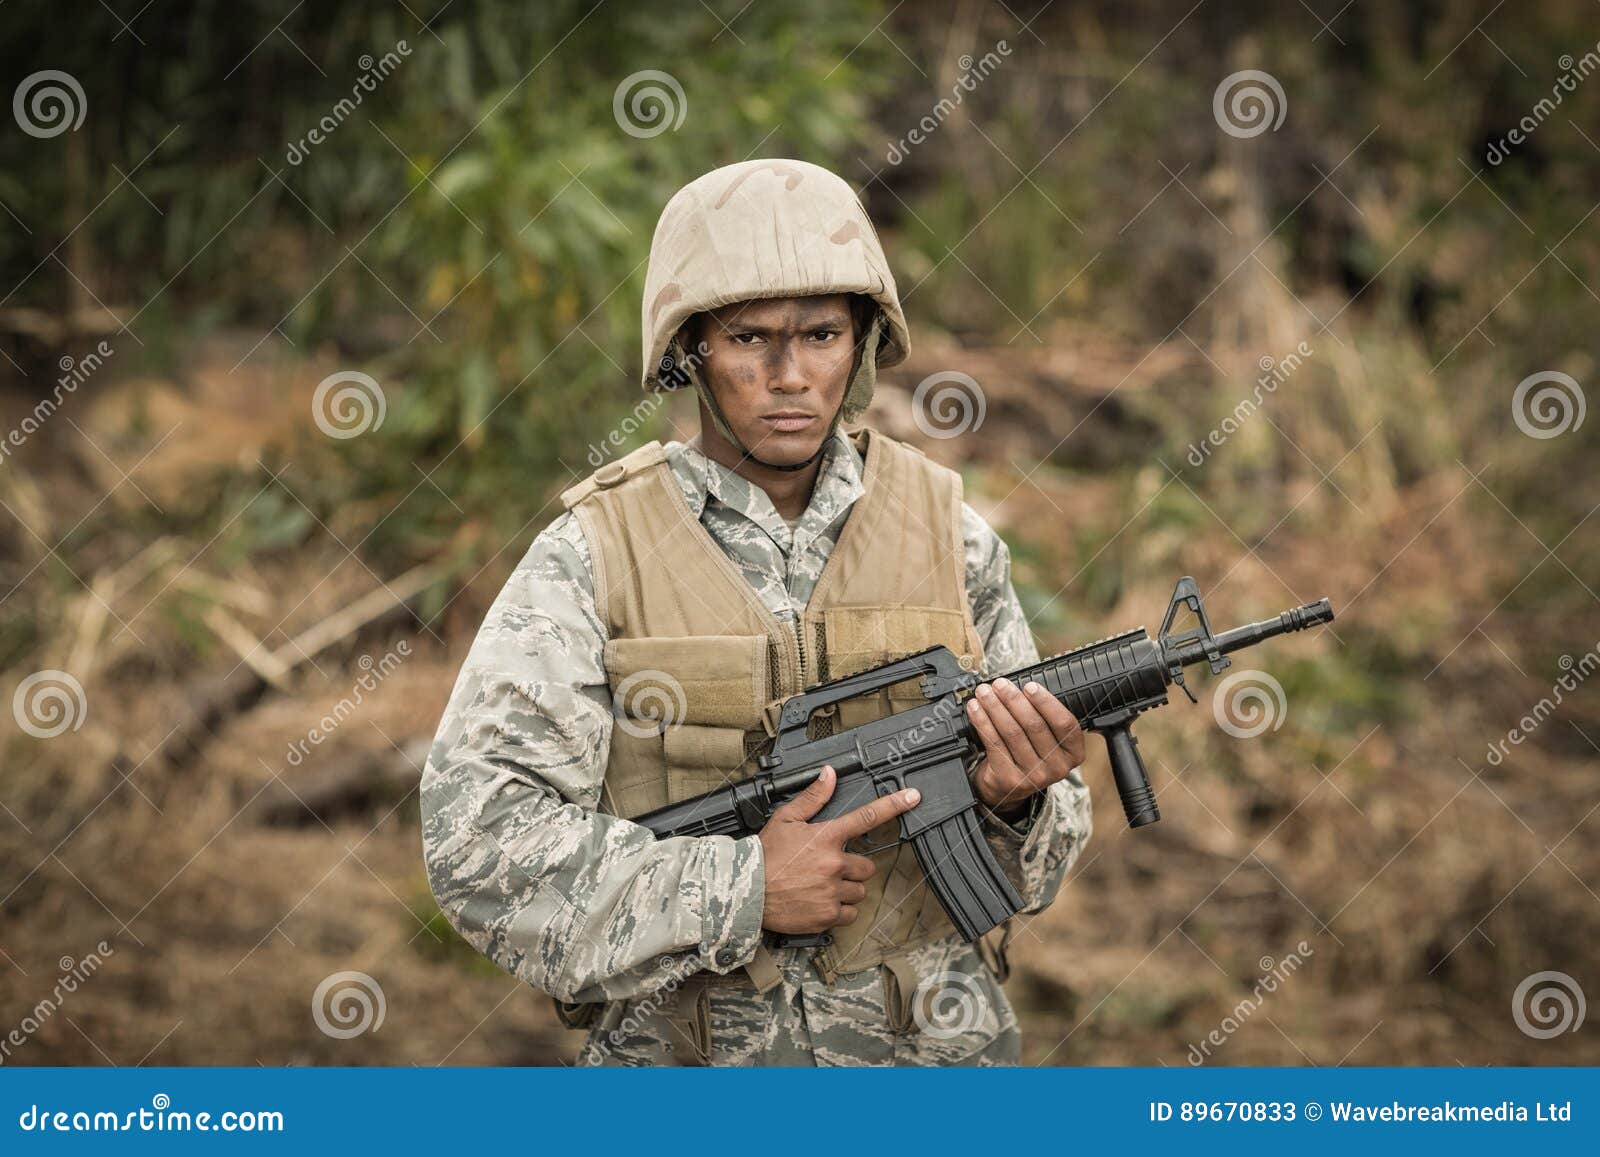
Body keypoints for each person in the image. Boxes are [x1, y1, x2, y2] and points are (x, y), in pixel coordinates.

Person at [421, 158, 1093, 1066]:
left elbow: (1043, 864)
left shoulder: (951, 537)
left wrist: (1019, 801)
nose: (791, 376)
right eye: (749, 340)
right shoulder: (594, 556)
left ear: (861, 342)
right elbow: (478, 844)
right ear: (687, 351)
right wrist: (741, 888)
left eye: (821, 335)